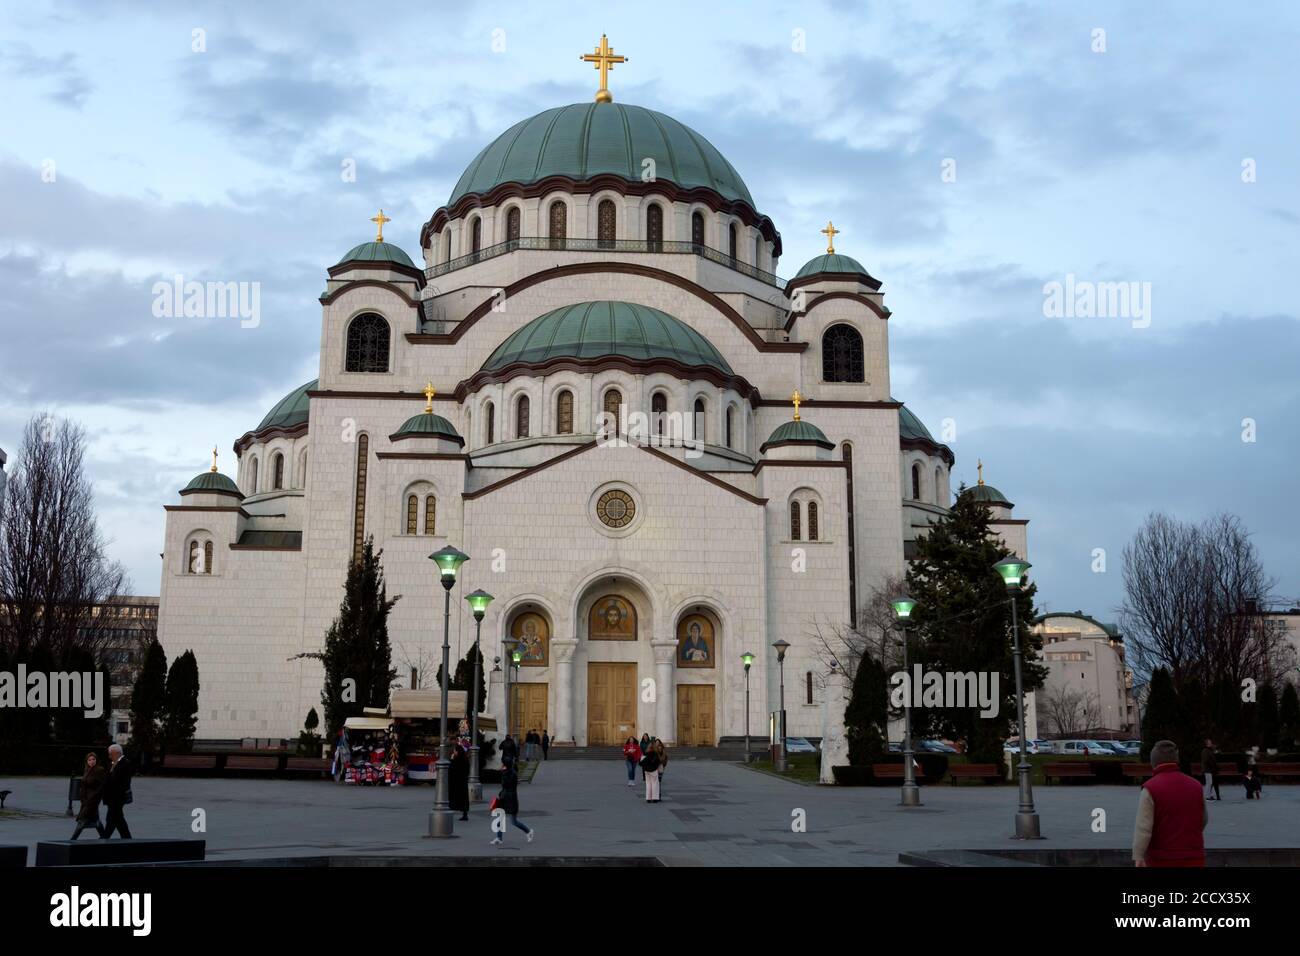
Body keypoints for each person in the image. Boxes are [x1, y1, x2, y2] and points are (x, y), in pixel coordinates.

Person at [1132, 740, 1207, 867]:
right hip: (1194, 855)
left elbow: (1143, 827)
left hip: (1161, 858)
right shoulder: (1196, 786)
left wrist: (1138, 855)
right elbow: (1203, 819)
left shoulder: (1150, 788)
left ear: (1154, 762)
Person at [491, 757, 534, 845]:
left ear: (506, 765)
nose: (502, 765)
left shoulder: (511, 774)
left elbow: (507, 784)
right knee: (500, 819)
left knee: (514, 821)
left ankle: (528, 831)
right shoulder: (507, 772)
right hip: (504, 798)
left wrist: (503, 773)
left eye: (503, 763)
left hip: (511, 799)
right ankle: (499, 838)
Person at [101, 744, 134, 840]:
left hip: (118, 797)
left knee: (114, 817)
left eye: (111, 754)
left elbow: (123, 781)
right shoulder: (113, 763)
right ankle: (126, 838)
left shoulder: (125, 763)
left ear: (117, 753)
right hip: (111, 797)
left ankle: (105, 837)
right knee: (116, 819)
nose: (109, 756)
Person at [71, 752, 107, 839]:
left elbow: (102, 786)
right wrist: (82, 798)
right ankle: (105, 837)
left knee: (82, 819)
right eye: (89, 760)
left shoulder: (99, 770)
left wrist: (94, 797)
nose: (92, 761)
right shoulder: (87, 770)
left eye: (93, 759)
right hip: (85, 799)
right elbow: (84, 785)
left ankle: (72, 839)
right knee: (96, 821)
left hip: (93, 799)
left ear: (96, 760)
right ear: (87, 761)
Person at [449, 743, 470, 821]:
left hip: (456, 782)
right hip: (463, 781)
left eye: (455, 751)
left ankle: (451, 810)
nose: (454, 752)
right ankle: (465, 813)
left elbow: (451, 769)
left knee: (454, 797)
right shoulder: (465, 759)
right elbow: (467, 771)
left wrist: (451, 759)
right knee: (463, 798)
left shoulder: (456, 760)